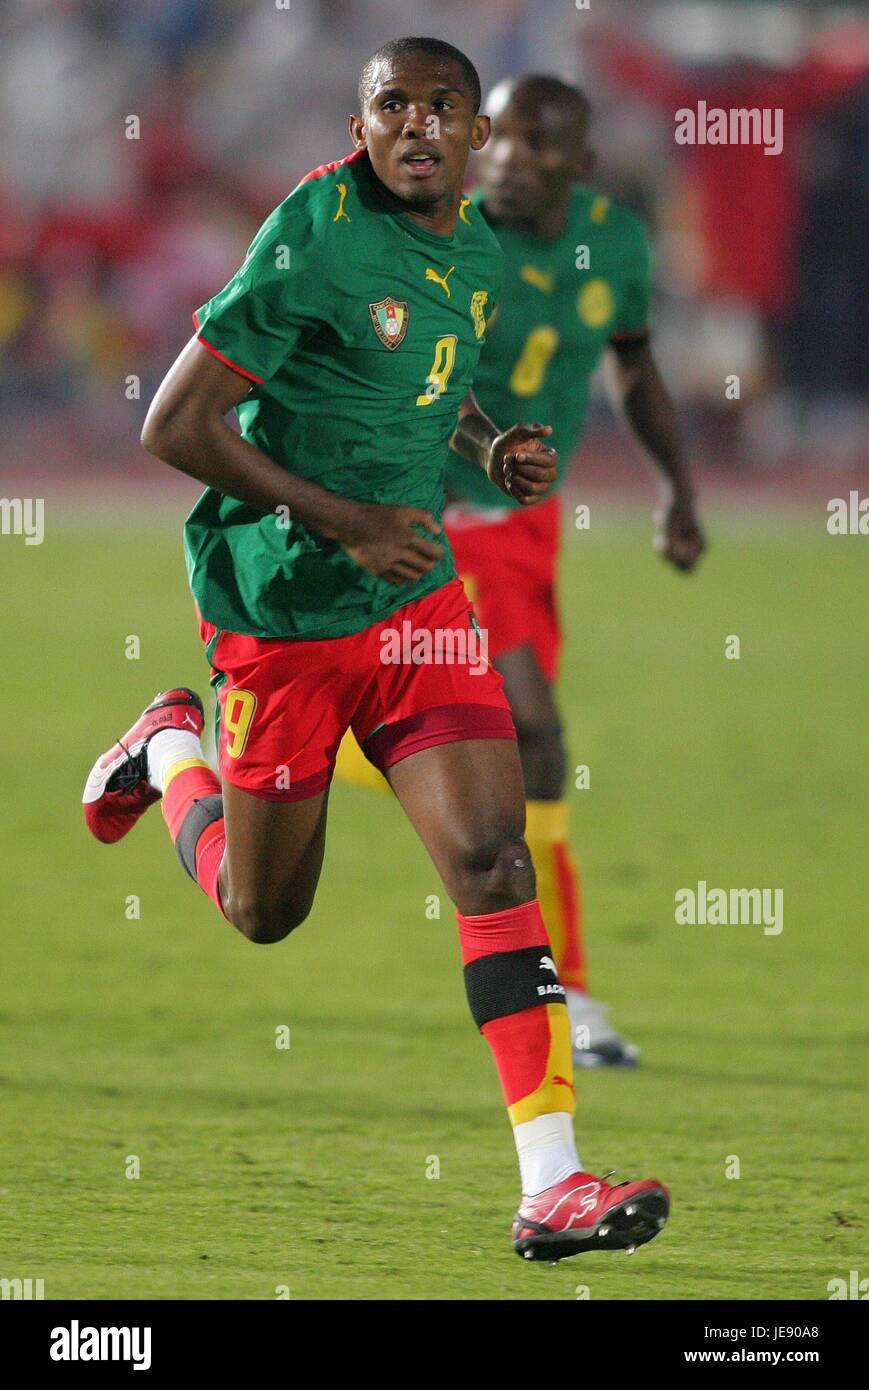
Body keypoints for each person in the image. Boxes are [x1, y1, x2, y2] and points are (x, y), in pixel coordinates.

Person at [82, 38, 669, 1261]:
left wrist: (486, 442)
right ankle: (171, 744)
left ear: (474, 137)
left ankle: (550, 1183)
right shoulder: (311, 233)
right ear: (360, 124)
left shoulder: (469, 248)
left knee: (493, 860)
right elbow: (172, 424)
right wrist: (343, 518)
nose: (413, 126)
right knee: (264, 911)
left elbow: (417, 378)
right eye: (389, 106)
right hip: (282, 612)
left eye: (438, 108)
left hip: (415, 606)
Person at [338, 75, 705, 1067]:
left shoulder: (613, 245)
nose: (507, 156)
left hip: (524, 524)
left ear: (577, 164)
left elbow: (631, 363)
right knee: (532, 734)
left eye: (541, 144)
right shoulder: (437, 235)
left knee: (491, 745)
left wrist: (675, 487)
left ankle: (271, 754)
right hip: (437, 506)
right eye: (498, 136)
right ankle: (566, 987)